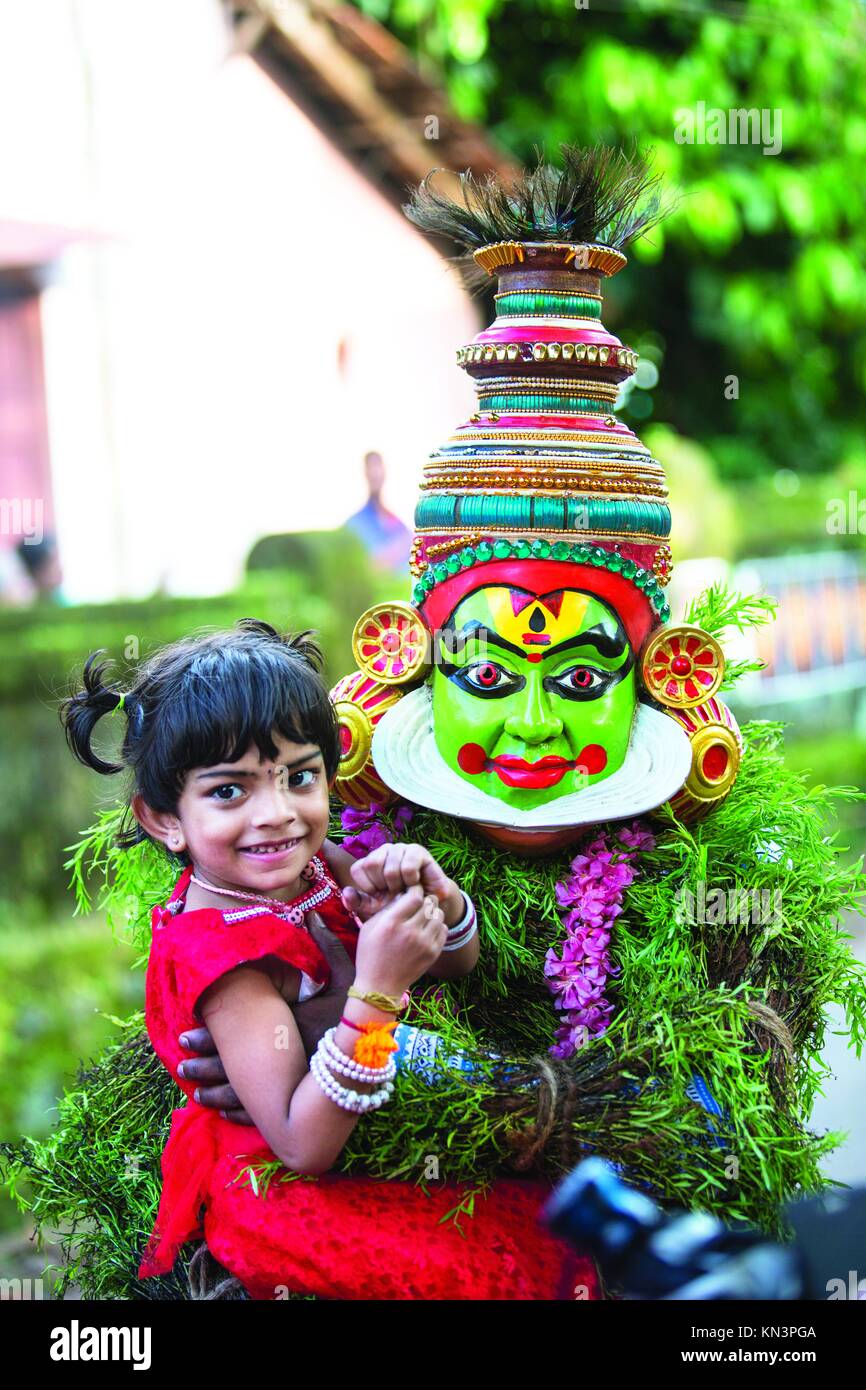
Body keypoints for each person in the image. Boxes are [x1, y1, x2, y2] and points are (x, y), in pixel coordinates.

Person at [60, 620, 587, 1299]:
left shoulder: (317, 871)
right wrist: (379, 987)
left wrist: (438, 900)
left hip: (389, 1137)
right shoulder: (228, 960)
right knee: (512, 1260)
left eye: (299, 777)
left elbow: (457, 965)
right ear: (164, 819)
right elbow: (302, 1144)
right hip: (295, 1196)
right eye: (229, 791)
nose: (276, 813)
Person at [344, 450, 412, 572]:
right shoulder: (354, 524)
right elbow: (368, 566)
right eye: (371, 467)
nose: (375, 473)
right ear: (365, 473)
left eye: (378, 467)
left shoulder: (397, 523)